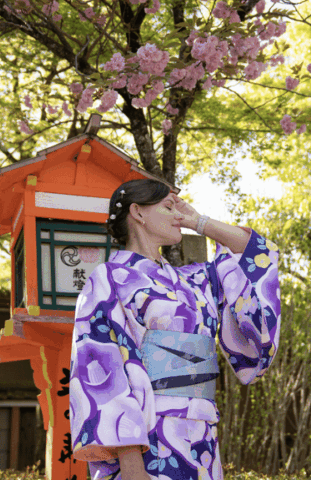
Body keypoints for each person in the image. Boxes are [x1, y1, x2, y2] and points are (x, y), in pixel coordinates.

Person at [69, 178, 281, 480]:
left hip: (202, 436)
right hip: (148, 437)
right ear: (138, 213)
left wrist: (200, 222)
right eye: (168, 207)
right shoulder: (110, 278)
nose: (177, 216)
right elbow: (102, 368)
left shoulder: (194, 280)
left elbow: (256, 255)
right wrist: (131, 466)